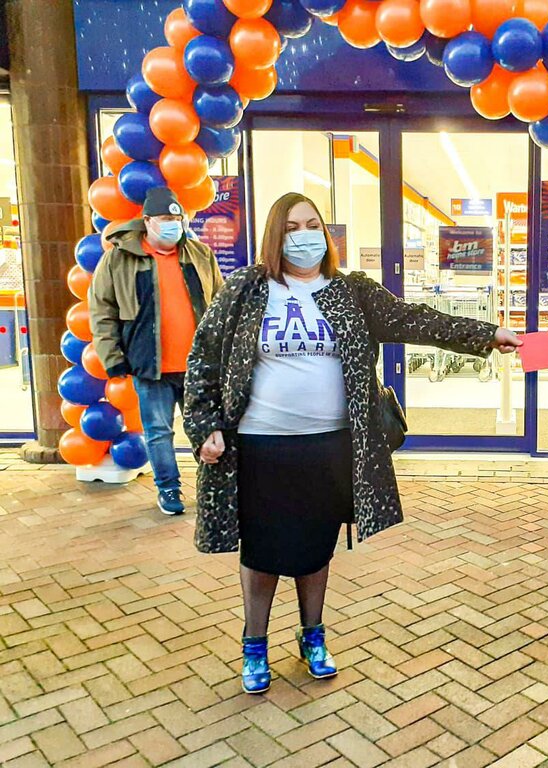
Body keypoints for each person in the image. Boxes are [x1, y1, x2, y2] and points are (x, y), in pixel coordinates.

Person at [184, 193, 521, 694]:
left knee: (315, 546)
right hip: (260, 445)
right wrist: (205, 425)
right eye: (294, 226)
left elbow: (414, 320)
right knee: (261, 549)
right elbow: (203, 359)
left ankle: (312, 635)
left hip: (330, 444)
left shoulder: (350, 292)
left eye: (313, 224)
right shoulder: (245, 291)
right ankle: (254, 643)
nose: (305, 235)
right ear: (276, 236)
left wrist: (486, 333)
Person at [89, 186, 224, 515]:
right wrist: (113, 357)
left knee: (206, 430)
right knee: (159, 432)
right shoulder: (119, 259)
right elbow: (101, 310)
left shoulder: (199, 253)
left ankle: (210, 489)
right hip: (151, 365)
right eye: (166, 218)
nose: (173, 224)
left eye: (178, 218)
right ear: (147, 220)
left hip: (199, 365)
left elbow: (220, 302)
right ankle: (169, 489)